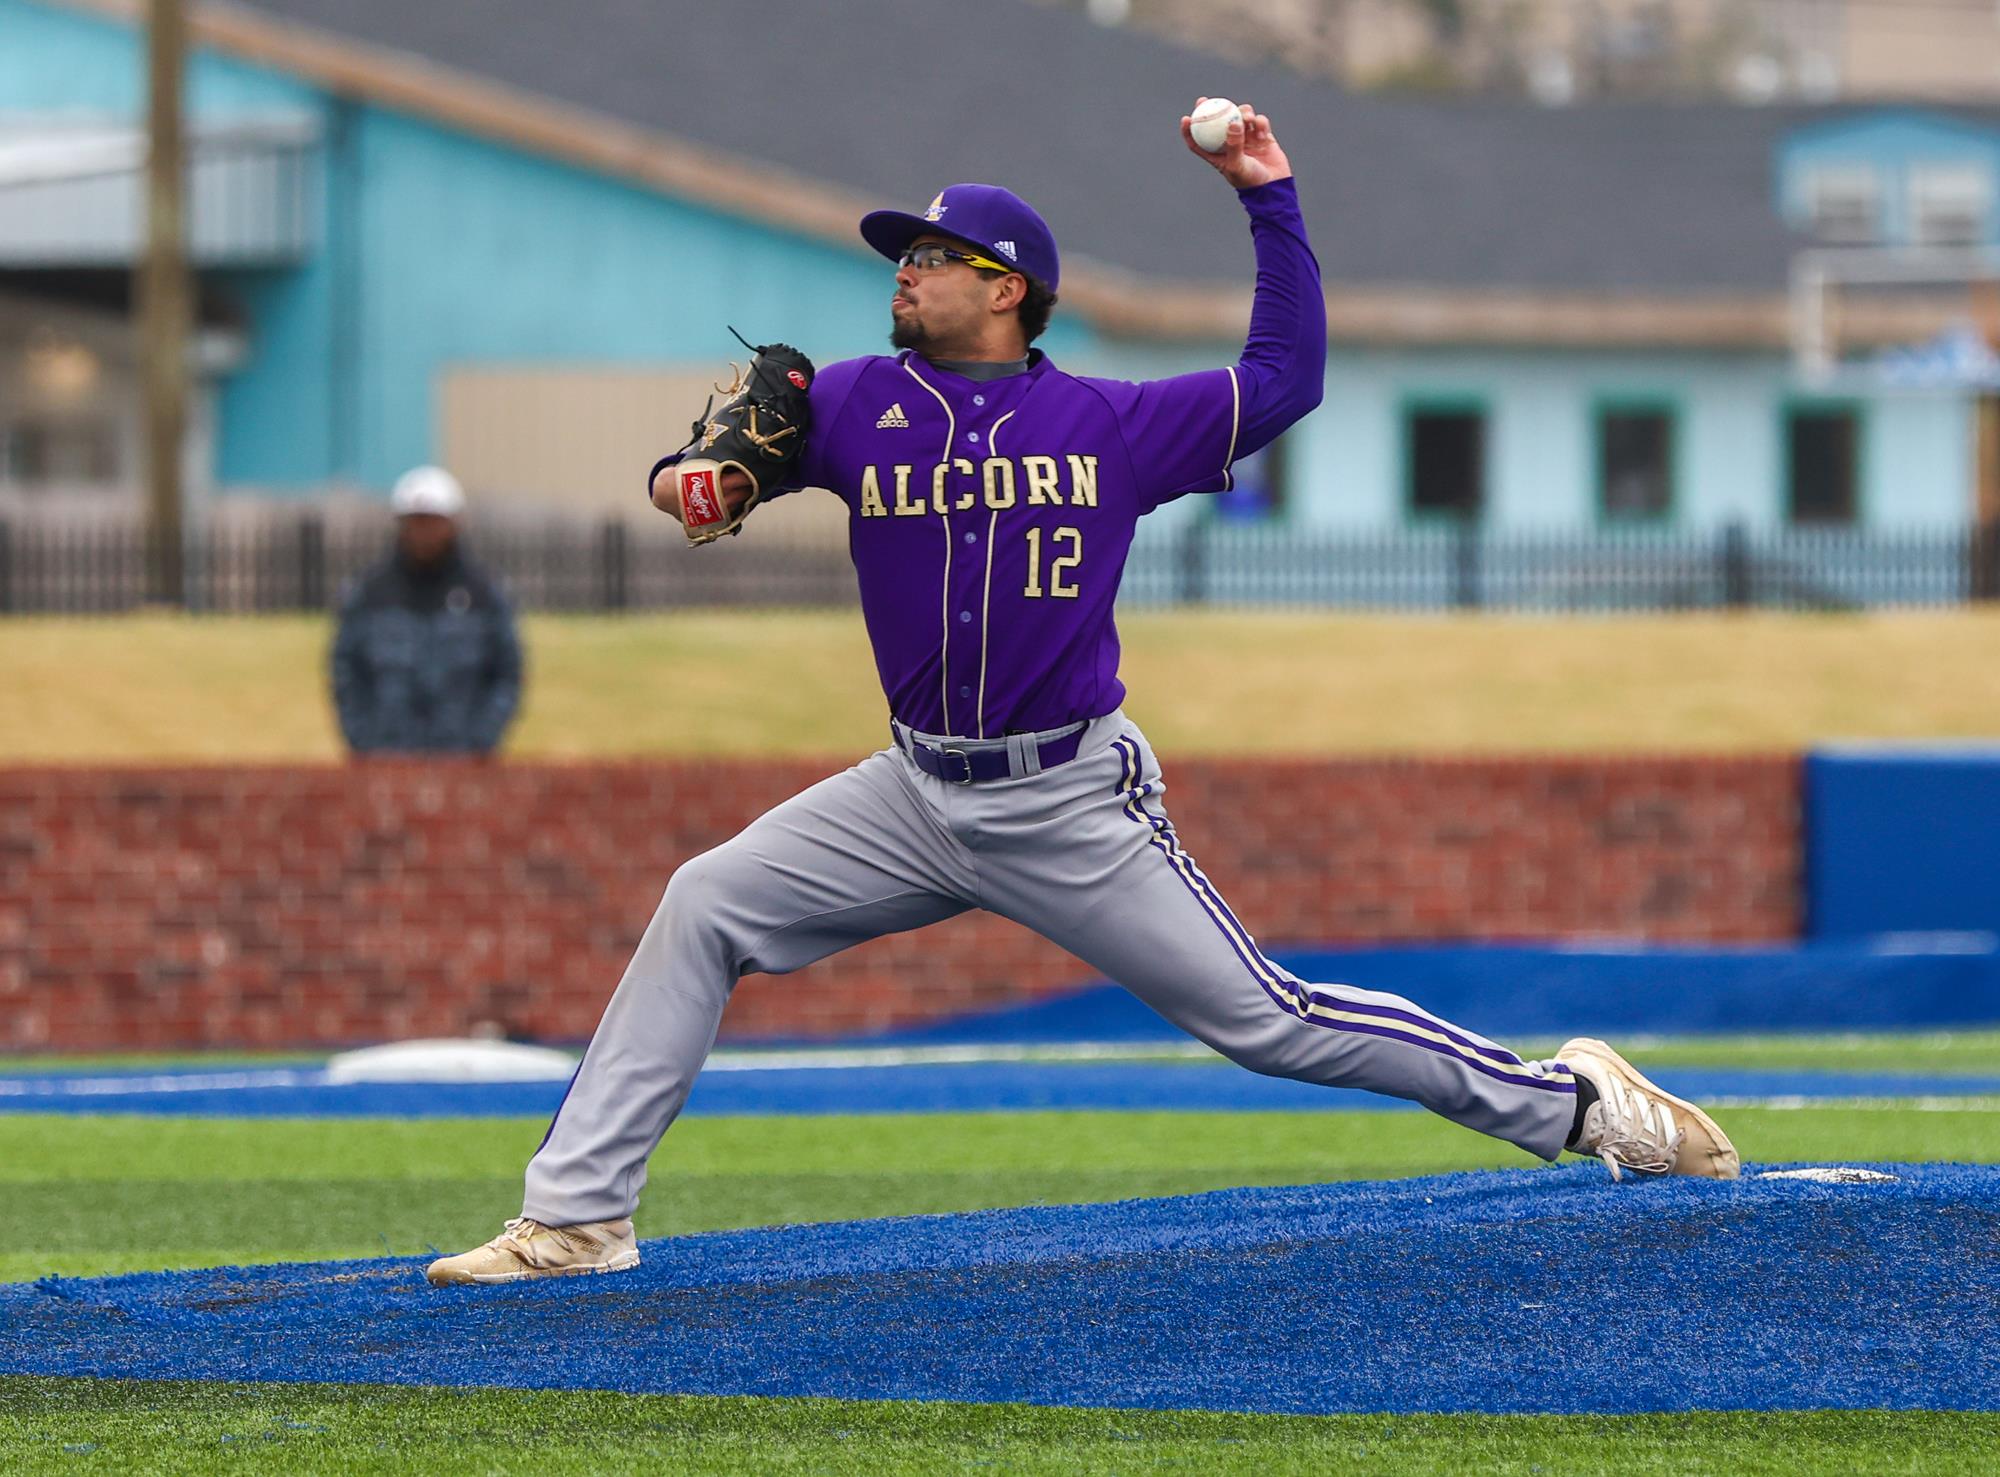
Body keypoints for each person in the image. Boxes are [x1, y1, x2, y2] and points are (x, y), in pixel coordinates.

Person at [427, 102, 1736, 1286]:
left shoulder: (1110, 423)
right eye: (905, 251)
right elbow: (694, 475)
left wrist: (1267, 200)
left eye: (933, 256)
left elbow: (1287, 382)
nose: (907, 266)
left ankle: (1571, 1102)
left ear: (1006, 291)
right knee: (704, 900)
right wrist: (690, 482)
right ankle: (581, 1218)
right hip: (911, 788)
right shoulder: (852, 405)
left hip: (1067, 798)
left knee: (1269, 1022)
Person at [330, 466, 523, 757]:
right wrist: (365, 742)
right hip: (387, 759)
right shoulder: (369, 593)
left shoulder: (483, 593)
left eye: (433, 521)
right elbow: (346, 673)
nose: (424, 532)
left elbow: (507, 671)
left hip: (460, 760)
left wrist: (481, 742)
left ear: (453, 523)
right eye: (416, 521)